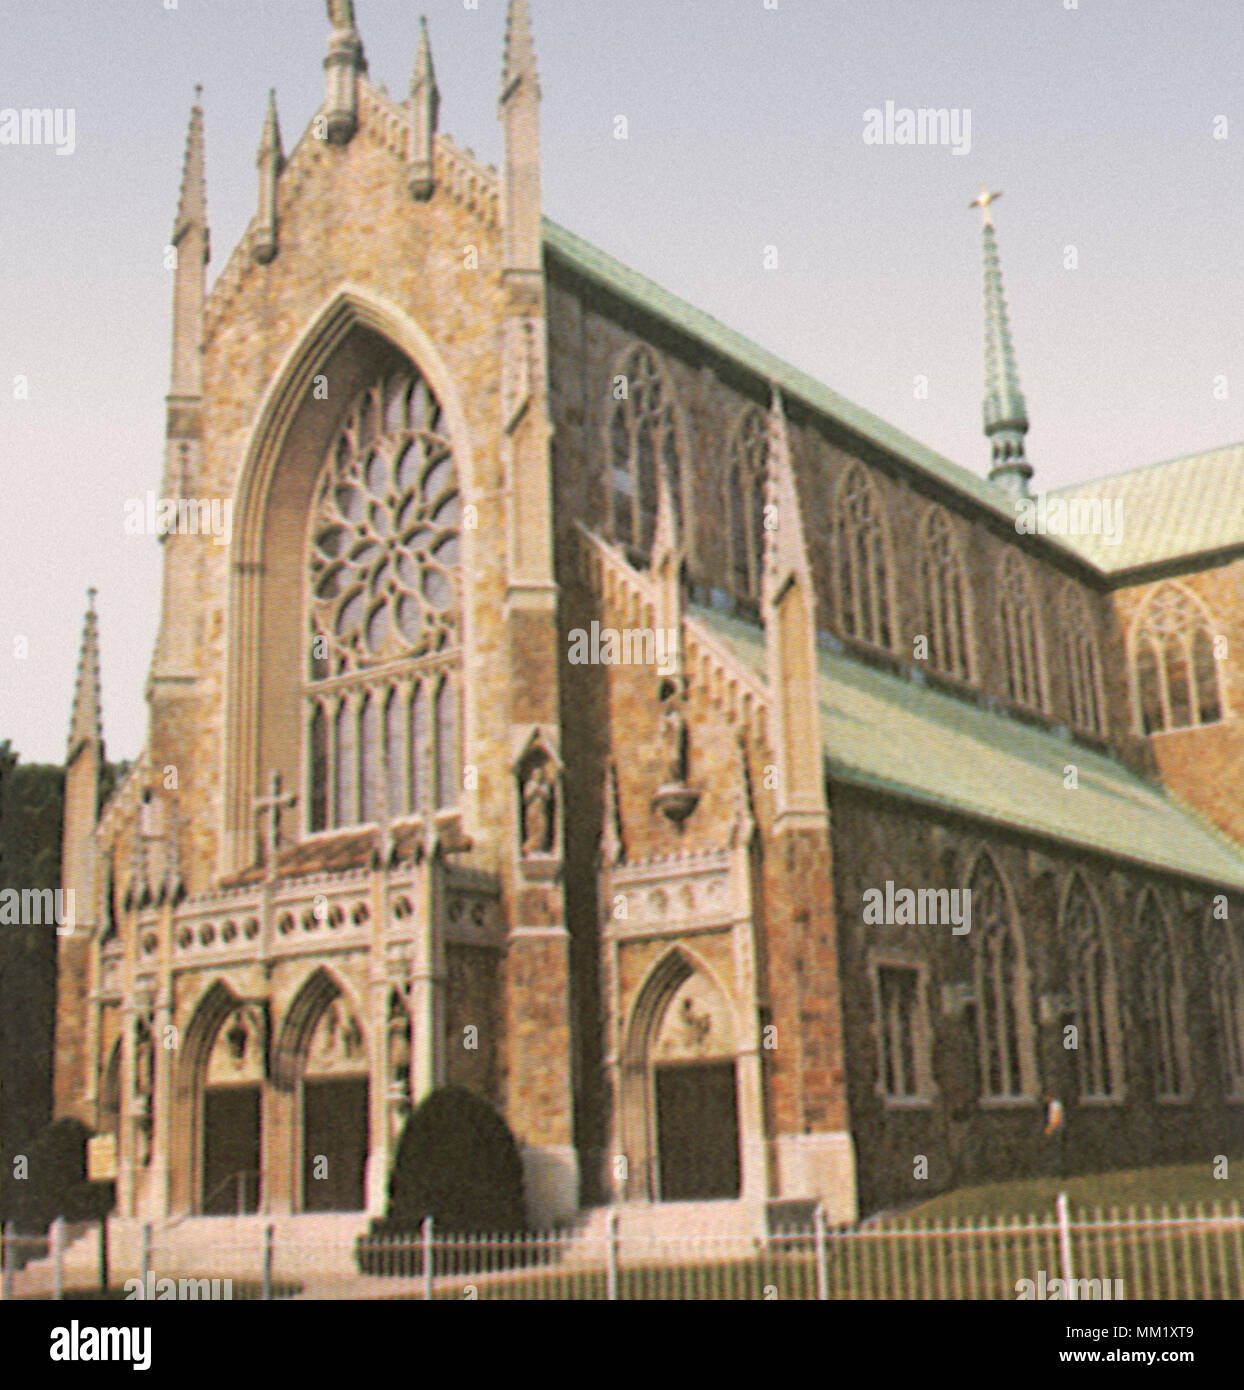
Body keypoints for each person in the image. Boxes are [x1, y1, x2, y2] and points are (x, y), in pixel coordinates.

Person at [1043, 1092, 1066, 1176]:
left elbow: (1057, 1119)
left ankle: (1058, 1171)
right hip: (1056, 1129)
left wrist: (1049, 1129)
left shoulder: (1055, 1105)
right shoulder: (1053, 1105)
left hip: (1056, 1130)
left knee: (1056, 1150)